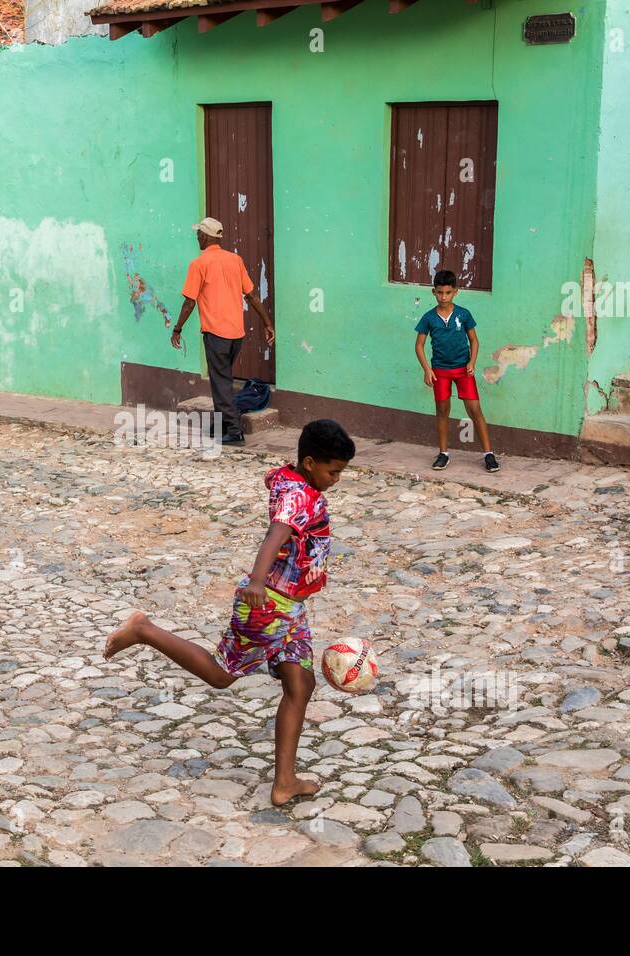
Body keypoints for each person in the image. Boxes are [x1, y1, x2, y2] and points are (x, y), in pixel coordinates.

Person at [105, 419, 355, 806]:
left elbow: (276, 485)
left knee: (301, 685)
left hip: (292, 607)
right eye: (333, 471)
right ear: (309, 462)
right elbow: (276, 532)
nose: (337, 479)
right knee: (222, 675)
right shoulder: (298, 497)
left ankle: (284, 782)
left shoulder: (292, 481)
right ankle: (144, 630)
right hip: (269, 603)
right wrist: (257, 582)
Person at [170, 217, 273, 446]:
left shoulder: (198, 264)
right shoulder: (235, 260)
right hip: (237, 334)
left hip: (216, 334)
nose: (197, 237)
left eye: (199, 234)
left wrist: (177, 329)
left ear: (205, 237)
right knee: (223, 380)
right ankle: (223, 426)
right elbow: (252, 295)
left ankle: (234, 431)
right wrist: (267, 323)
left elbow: (189, 302)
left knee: (221, 383)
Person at [413, 269, 499, 472]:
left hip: (463, 370)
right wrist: (427, 369)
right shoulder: (428, 318)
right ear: (433, 292)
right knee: (442, 411)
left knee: (475, 410)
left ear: (455, 292)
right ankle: (443, 453)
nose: (444, 297)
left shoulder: (464, 314)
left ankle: (489, 455)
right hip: (440, 371)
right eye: (440, 293)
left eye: (448, 293)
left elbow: (474, 340)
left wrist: (473, 362)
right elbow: (419, 346)